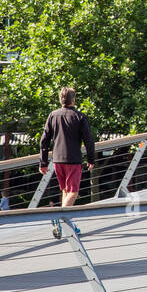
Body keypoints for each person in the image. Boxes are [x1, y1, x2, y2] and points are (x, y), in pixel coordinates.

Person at [39, 86, 95, 239]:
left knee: (65, 190)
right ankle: (60, 218)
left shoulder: (53, 115)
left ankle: (69, 224)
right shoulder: (80, 117)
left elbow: (44, 141)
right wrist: (91, 159)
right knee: (73, 192)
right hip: (73, 160)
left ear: (60, 99)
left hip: (57, 160)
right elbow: (89, 141)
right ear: (73, 100)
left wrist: (43, 162)